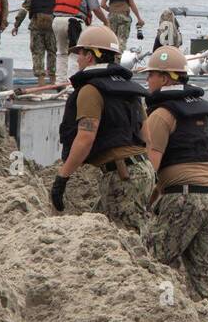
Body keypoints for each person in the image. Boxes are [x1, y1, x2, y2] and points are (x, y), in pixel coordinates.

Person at [139, 46, 208, 315]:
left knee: (156, 259)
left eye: (150, 75)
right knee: (207, 269)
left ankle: (163, 315)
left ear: (165, 78)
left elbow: (152, 166)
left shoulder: (160, 114)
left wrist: (144, 204)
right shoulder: (199, 113)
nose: (147, 81)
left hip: (184, 196)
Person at [49, 25, 154, 232]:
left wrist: (63, 177)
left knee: (123, 240)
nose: (77, 59)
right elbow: (146, 135)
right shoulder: (129, 90)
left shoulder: (90, 90)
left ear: (90, 56)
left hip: (123, 175)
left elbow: (85, 138)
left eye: (79, 53)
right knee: (100, 229)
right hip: (142, 169)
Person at [51, 0, 108, 84]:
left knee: (61, 52)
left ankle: (60, 82)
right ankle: (72, 82)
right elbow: (96, 8)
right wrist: (106, 22)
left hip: (56, 21)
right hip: (74, 22)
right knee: (75, 53)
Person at [12, 0, 58, 84]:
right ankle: (53, 81)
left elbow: (24, 10)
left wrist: (16, 25)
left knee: (38, 52)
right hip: (52, 26)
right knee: (52, 52)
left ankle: (41, 81)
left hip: (36, 26)